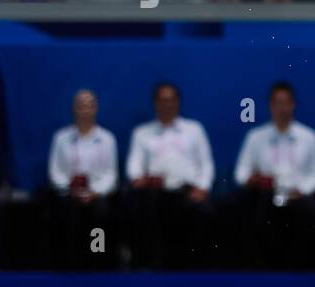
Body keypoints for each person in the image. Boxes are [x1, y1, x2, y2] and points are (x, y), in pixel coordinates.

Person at [232, 81, 315, 268]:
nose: (282, 108)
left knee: (312, 210)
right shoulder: (255, 136)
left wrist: (301, 190)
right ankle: (261, 267)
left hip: (297, 195)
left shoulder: (309, 137)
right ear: (270, 106)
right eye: (277, 103)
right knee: (255, 209)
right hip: (266, 194)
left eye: (286, 103)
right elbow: (241, 172)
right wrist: (252, 179)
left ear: (294, 105)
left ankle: (304, 269)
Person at [124, 81, 216, 269]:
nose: (167, 104)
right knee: (140, 205)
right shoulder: (142, 133)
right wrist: (137, 178)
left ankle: (193, 269)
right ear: (155, 103)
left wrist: (203, 188)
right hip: (154, 192)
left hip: (186, 191)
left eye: (172, 100)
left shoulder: (194, 130)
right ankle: (149, 265)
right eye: (163, 100)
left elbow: (206, 164)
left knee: (202, 211)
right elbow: (134, 165)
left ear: (179, 102)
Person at [45, 88, 119, 268]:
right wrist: (69, 187)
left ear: (96, 109)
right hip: (69, 193)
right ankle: (69, 260)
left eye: (90, 104)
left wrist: (95, 192)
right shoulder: (61, 138)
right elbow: (55, 171)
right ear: (73, 109)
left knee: (100, 212)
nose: (85, 108)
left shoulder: (107, 138)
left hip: (96, 194)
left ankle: (98, 256)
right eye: (81, 105)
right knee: (65, 211)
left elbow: (111, 173)